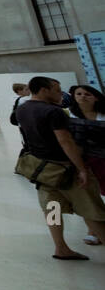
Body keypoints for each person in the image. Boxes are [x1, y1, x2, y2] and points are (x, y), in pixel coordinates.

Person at [15, 77, 105, 260]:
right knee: (91, 209)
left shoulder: (22, 109)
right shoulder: (54, 112)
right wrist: (81, 168)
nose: (60, 94)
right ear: (43, 90)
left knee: (52, 208)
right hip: (66, 169)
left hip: (43, 169)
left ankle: (60, 247)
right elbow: (65, 141)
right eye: (56, 90)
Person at [66, 85, 105, 245]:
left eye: (87, 94)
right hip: (84, 161)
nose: (83, 97)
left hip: (102, 160)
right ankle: (94, 230)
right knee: (90, 195)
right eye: (79, 94)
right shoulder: (69, 115)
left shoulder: (103, 115)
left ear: (96, 97)